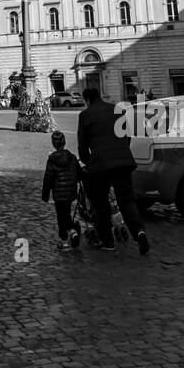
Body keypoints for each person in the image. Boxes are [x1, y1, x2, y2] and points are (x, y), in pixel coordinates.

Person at [77, 87, 150, 255]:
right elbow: (127, 135)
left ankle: (108, 242)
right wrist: (121, 153)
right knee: (127, 200)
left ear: (86, 100)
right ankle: (139, 232)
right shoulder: (117, 109)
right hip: (123, 161)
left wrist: (89, 163)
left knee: (100, 203)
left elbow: (82, 146)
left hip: (101, 164)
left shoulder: (85, 115)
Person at [42, 130, 81, 250]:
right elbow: (79, 173)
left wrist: (45, 194)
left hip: (59, 193)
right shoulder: (72, 157)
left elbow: (48, 178)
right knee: (66, 213)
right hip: (70, 191)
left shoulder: (52, 160)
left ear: (53, 144)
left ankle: (65, 240)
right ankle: (73, 232)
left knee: (61, 216)